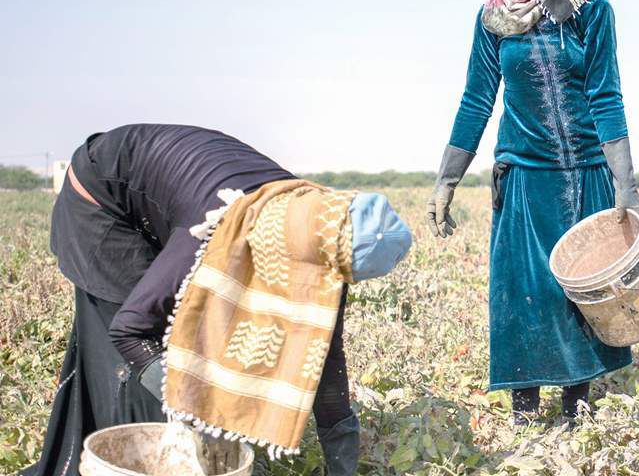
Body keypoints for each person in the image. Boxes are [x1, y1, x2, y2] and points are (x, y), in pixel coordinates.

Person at [23, 124, 411, 476]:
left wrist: (340, 462)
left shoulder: (321, 228)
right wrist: (195, 406)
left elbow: (326, 355)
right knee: (144, 357)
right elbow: (129, 331)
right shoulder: (216, 224)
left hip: (166, 194)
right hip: (101, 197)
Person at [427, 0, 639, 425]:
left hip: (588, 176)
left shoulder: (591, 12)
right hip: (524, 179)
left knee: (582, 295)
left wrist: (626, 185)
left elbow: (606, 96)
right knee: (524, 296)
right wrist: (446, 181)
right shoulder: (491, 20)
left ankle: (576, 417)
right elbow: (476, 100)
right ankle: (524, 418)